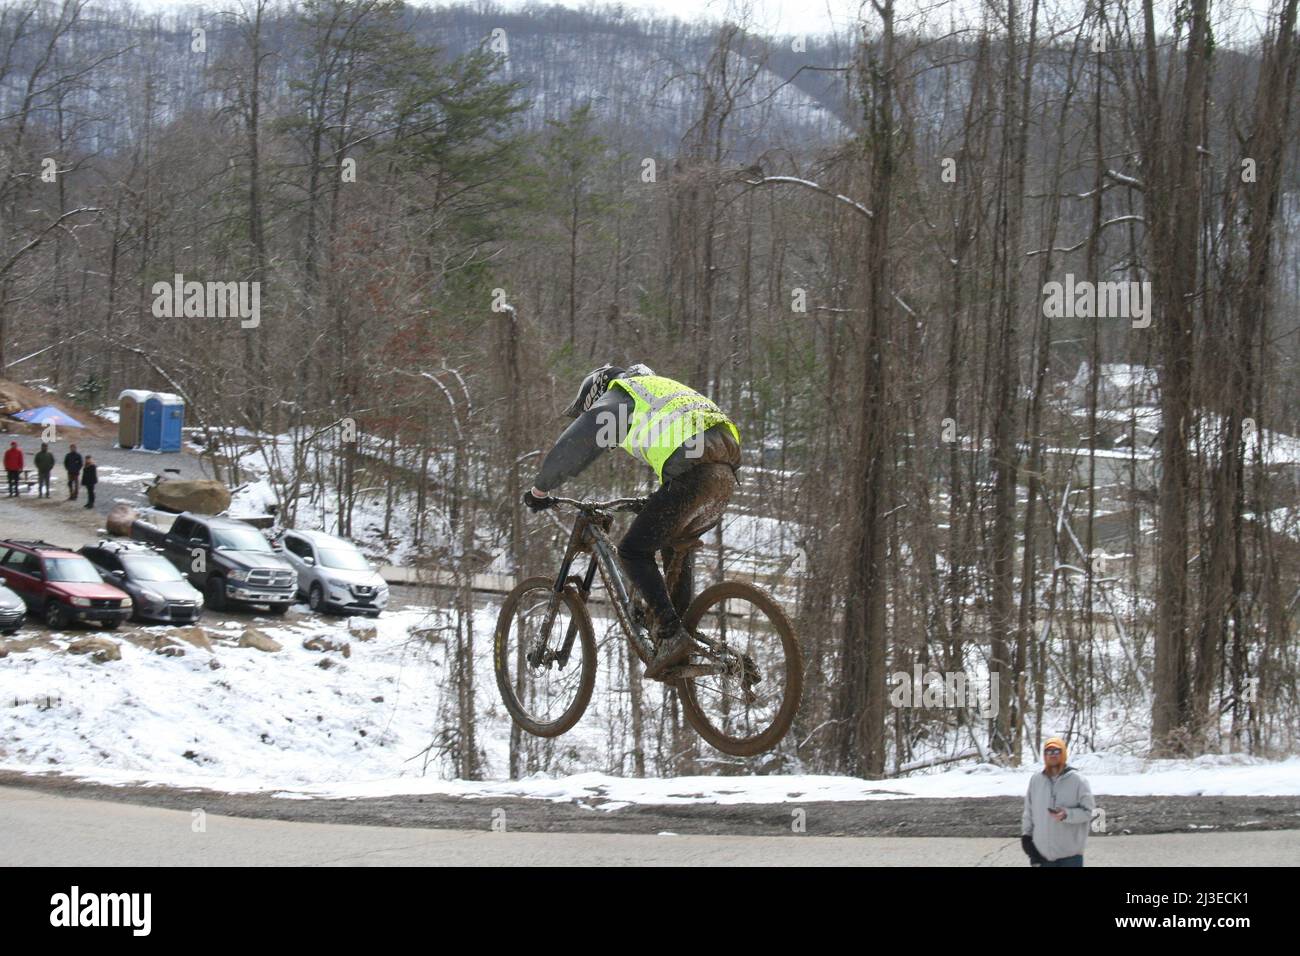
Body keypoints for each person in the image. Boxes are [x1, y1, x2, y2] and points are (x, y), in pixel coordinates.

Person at [523, 364, 741, 680]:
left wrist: (541, 487)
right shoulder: (662, 393)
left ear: (597, 395)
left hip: (695, 471)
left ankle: (670, 635)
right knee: (673, 544)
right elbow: (687, 446)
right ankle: (680, 634)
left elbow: (579, 443)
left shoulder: (623, 393)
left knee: (632, 551)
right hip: (726, 473)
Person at [1021, 736, 1096, 867]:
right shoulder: (1036, 780)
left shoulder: (1078, 781)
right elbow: (1029, 812)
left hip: (1070, 857)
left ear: (1064, 754)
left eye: (1056, 751)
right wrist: (1026, 837)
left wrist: (1067, 814)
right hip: (1042, 856)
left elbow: (1090, 812)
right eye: (1048, 752)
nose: (1052, 755)